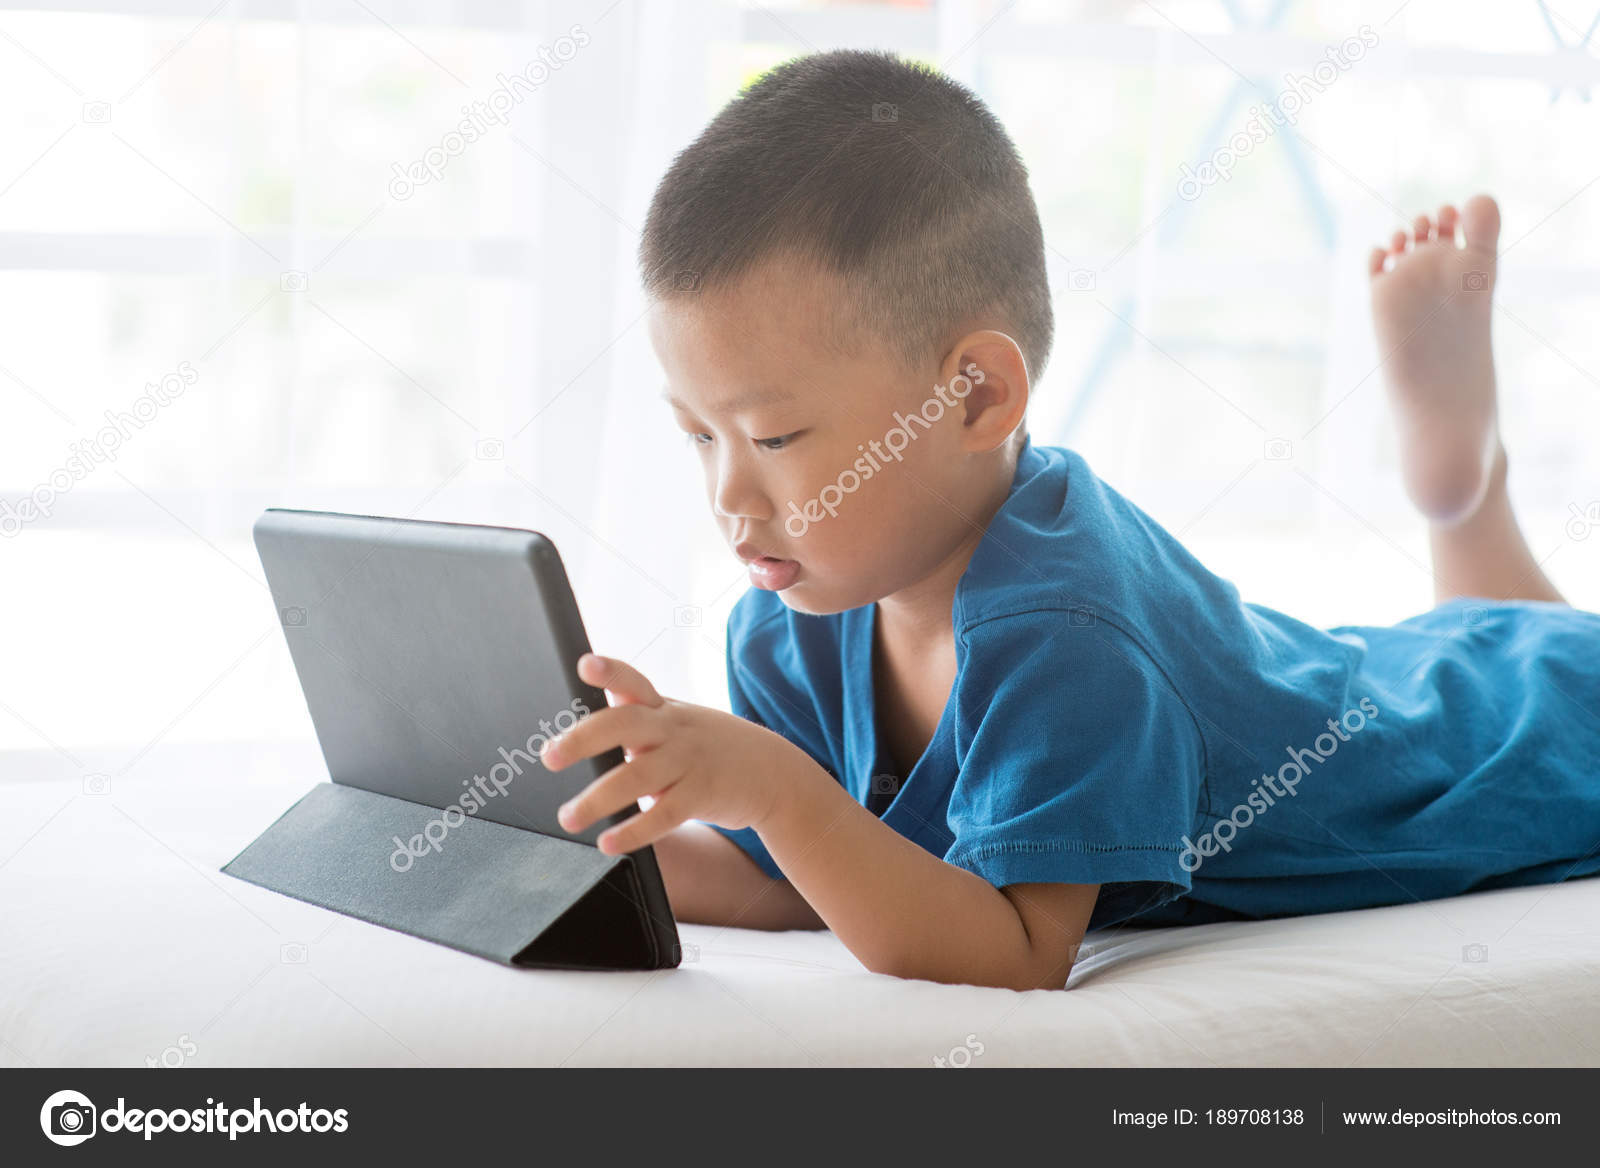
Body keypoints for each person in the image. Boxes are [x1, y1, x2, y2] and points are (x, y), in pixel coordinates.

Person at [537, 51, 1600, 992]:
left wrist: (774, 789)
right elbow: (806, 882)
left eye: (771, 438)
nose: (729, 495)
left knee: (1513, 673)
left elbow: (1013, 951)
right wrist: (602, 831)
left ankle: (1466, 492)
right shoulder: (789, 612)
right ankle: (1464, 500)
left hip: (1533, 729)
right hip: (1374, 673)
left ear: (974, 398)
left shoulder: (1066, 630)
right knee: (1463, 643)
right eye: (697, 436)